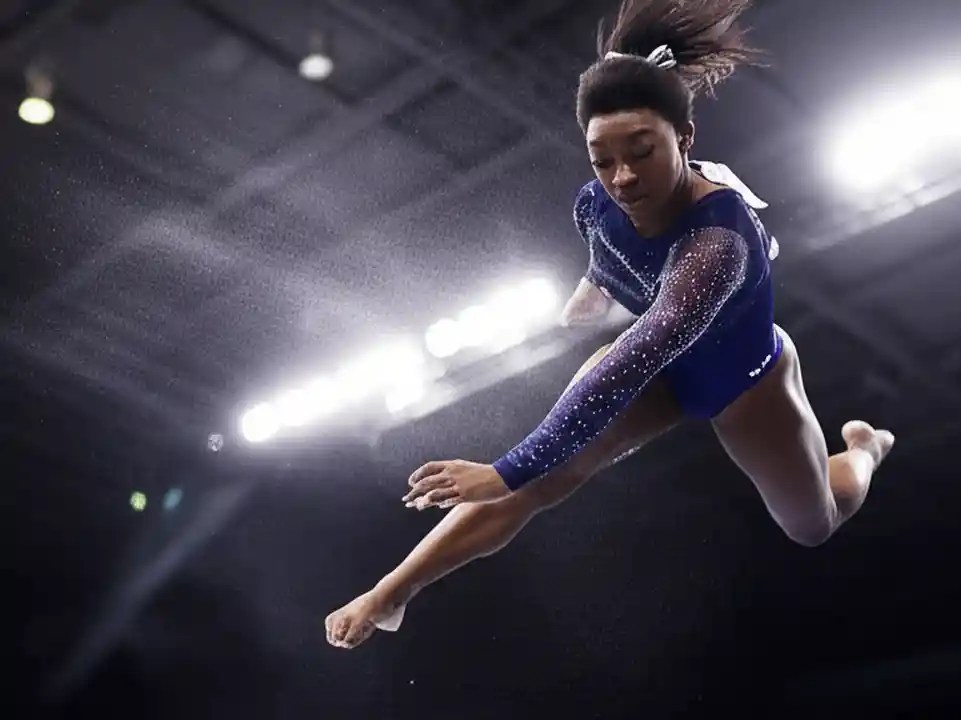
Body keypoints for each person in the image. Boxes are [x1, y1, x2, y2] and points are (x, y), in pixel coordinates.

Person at [325, 0, 895, 650]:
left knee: (812, 524)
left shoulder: (720, 243)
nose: (622, 177)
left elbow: (645, 348)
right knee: (542, 480)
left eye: (642, 152)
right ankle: (389, 593)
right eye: (602, 158)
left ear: (685, 138)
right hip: (660, 357)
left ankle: (864, 449)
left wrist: (504, 469)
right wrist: (593, 287)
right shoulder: (594, 203)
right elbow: (612, 255)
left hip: (745, 379)